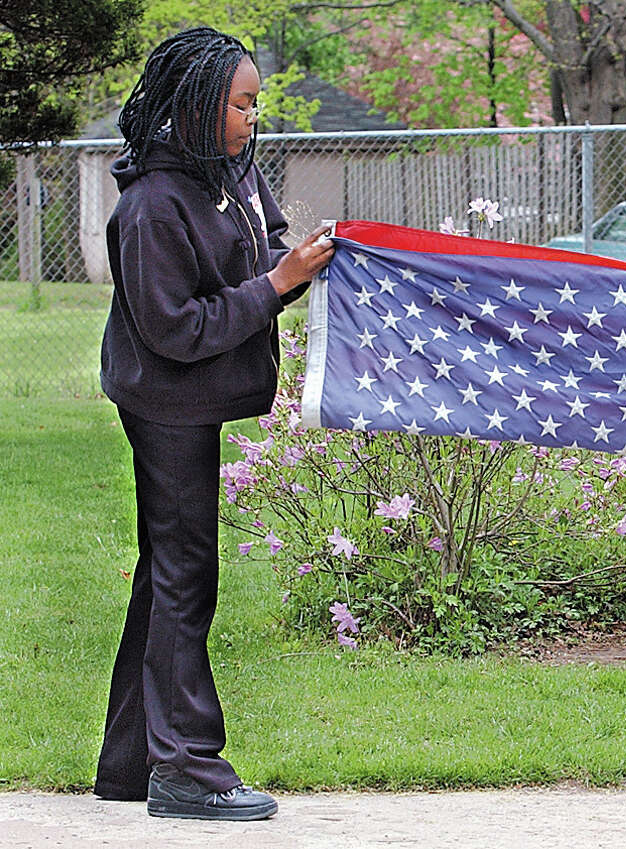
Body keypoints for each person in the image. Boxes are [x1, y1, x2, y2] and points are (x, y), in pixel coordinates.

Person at [94, 27, 334, 820]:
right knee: (185, 576)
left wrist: (300, 266)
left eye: (255, 102)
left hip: (193, 396)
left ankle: (133, 764)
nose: (252, 117)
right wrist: (275, 283)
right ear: (196, 104)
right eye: (240, 103)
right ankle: (187, 769)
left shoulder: (228, 174)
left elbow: (262, 262)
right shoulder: (151, 206)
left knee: (168, 572)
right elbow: (176, 328)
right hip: (164, 402)